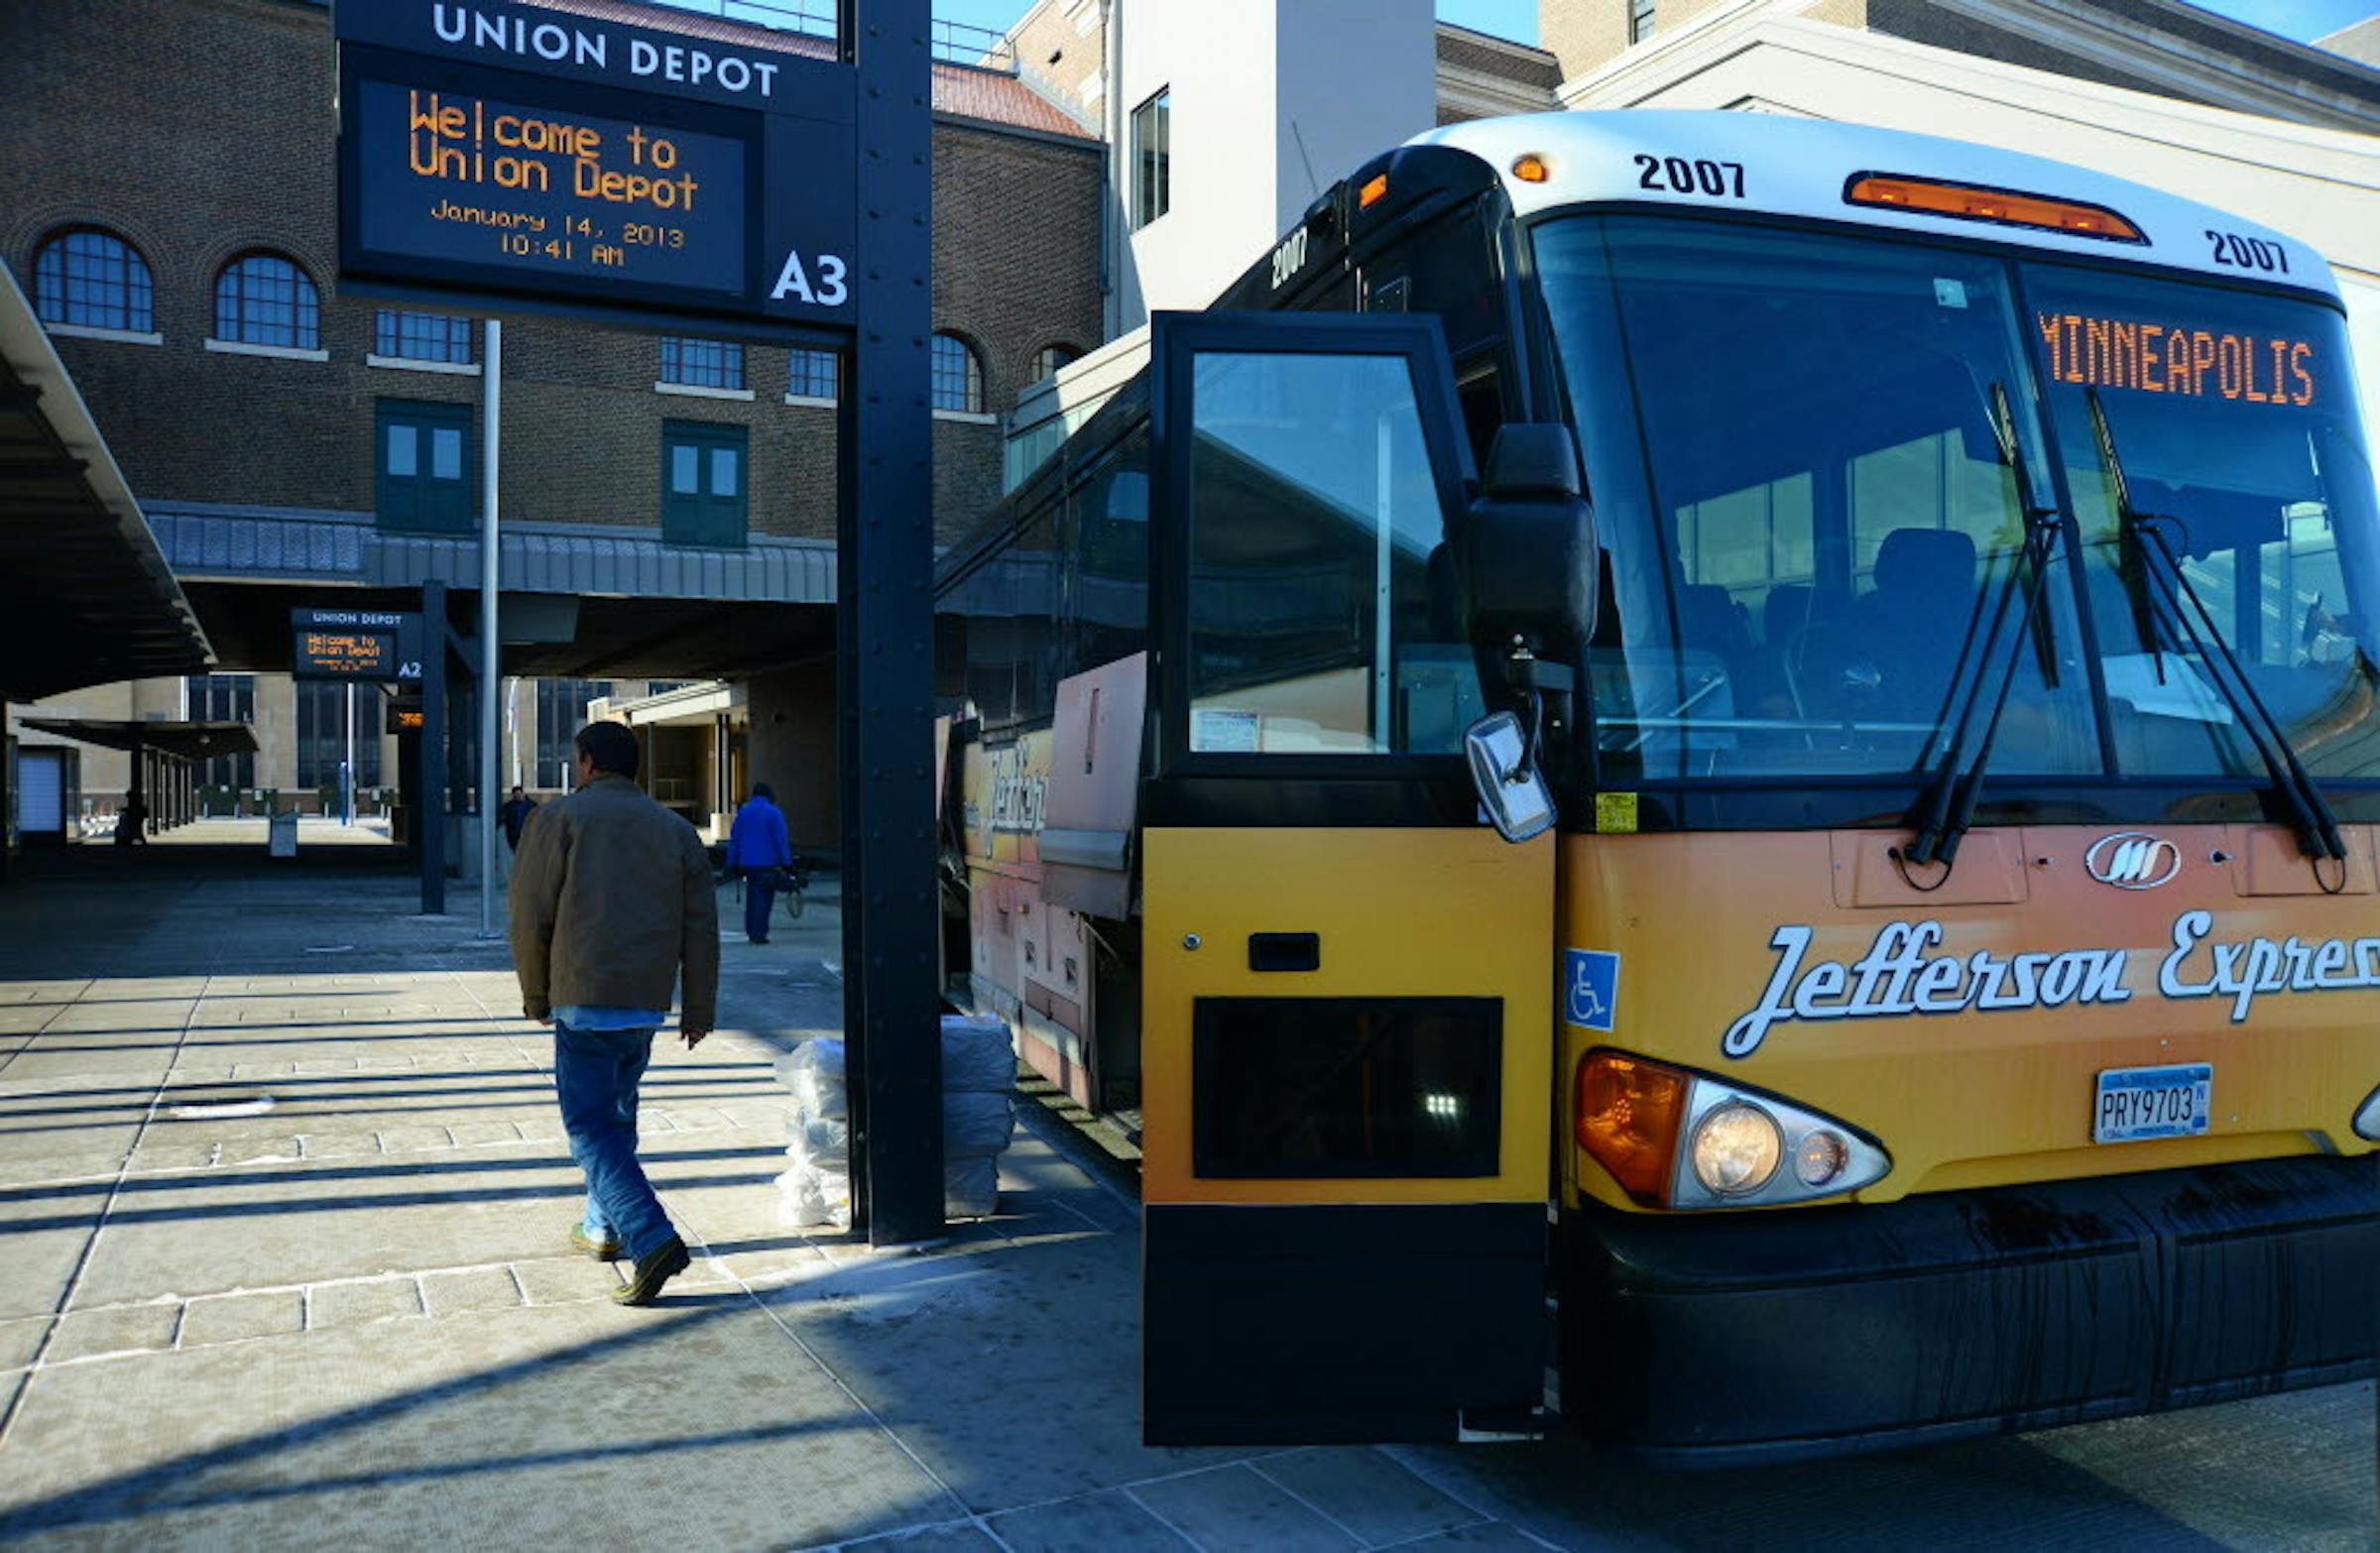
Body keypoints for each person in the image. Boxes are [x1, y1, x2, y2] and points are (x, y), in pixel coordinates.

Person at [509, 721, 719, 1307]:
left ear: (586, 762)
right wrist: (697, 1007)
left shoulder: (557, 819)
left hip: (583, 997)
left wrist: (535, 994)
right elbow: (701, 928)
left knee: (590, 1129)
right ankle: (603, 1229)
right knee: (616, 1118)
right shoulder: (676, 831)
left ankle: (651, 1238)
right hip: (645, 1006)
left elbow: (530, 915)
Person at [726, 781, 793, 945]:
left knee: (753, 896)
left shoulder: (744, 812)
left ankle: (752, 930)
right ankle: (759, 933)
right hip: (768, 863)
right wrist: (787, 862)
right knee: (764, 899)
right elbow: (781, 840)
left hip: (747, 863)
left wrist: (731, 862)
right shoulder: (774, 813)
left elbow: (735, 839)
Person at [498, 784, 539, 852]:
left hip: (528, 834)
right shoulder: (509, 807)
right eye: (516, 795)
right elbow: (503, 817)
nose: (518, 796)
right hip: (514, 835)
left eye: (519, 794)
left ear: (523, 793)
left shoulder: (532, 806)